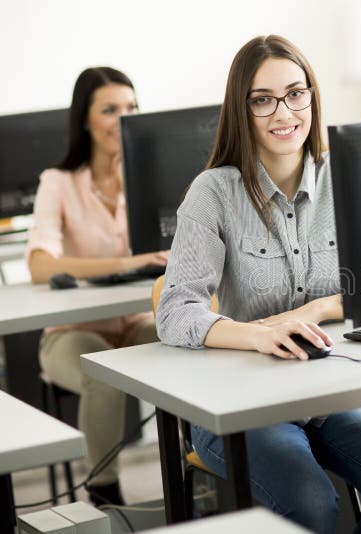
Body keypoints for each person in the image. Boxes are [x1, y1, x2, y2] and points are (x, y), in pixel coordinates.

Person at [156, 35, 361, 533]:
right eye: (263, 100)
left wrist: (314, 311)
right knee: (311, 504)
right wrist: (254, 333)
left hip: (331, 395)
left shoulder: (347, 179)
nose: (284, 112)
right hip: (242, 404)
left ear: (312, 97)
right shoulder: (214, 193)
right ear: (241, 109)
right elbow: (174, 311)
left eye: (296, 94)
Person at [26, 67, 169, 506]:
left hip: (138, 322)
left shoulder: (154, 175)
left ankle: (200, 467)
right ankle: (103, 489)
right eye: (109, 109)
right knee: (100, 366)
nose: (123, 118)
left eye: (131, 108)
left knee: (189, 345)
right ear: (84, 120)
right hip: (70, 335)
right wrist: (126, 263)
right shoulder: (59, 182)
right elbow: (39, 265)